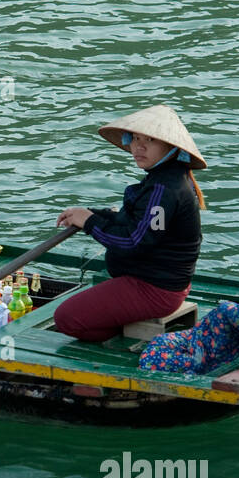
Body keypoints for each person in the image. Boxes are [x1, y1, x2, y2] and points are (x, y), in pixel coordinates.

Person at [54, 104, 207, 342]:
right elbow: (135, 223)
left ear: (170, 147)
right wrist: (91, 214)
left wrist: (91, 222)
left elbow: (132, 241)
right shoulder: (169, 177)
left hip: (156, 289)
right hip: (159, 282)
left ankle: (121, 340)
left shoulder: (164, 188)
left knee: (65, 318)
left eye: (150, 140)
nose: (139, 147)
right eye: (135, 138)